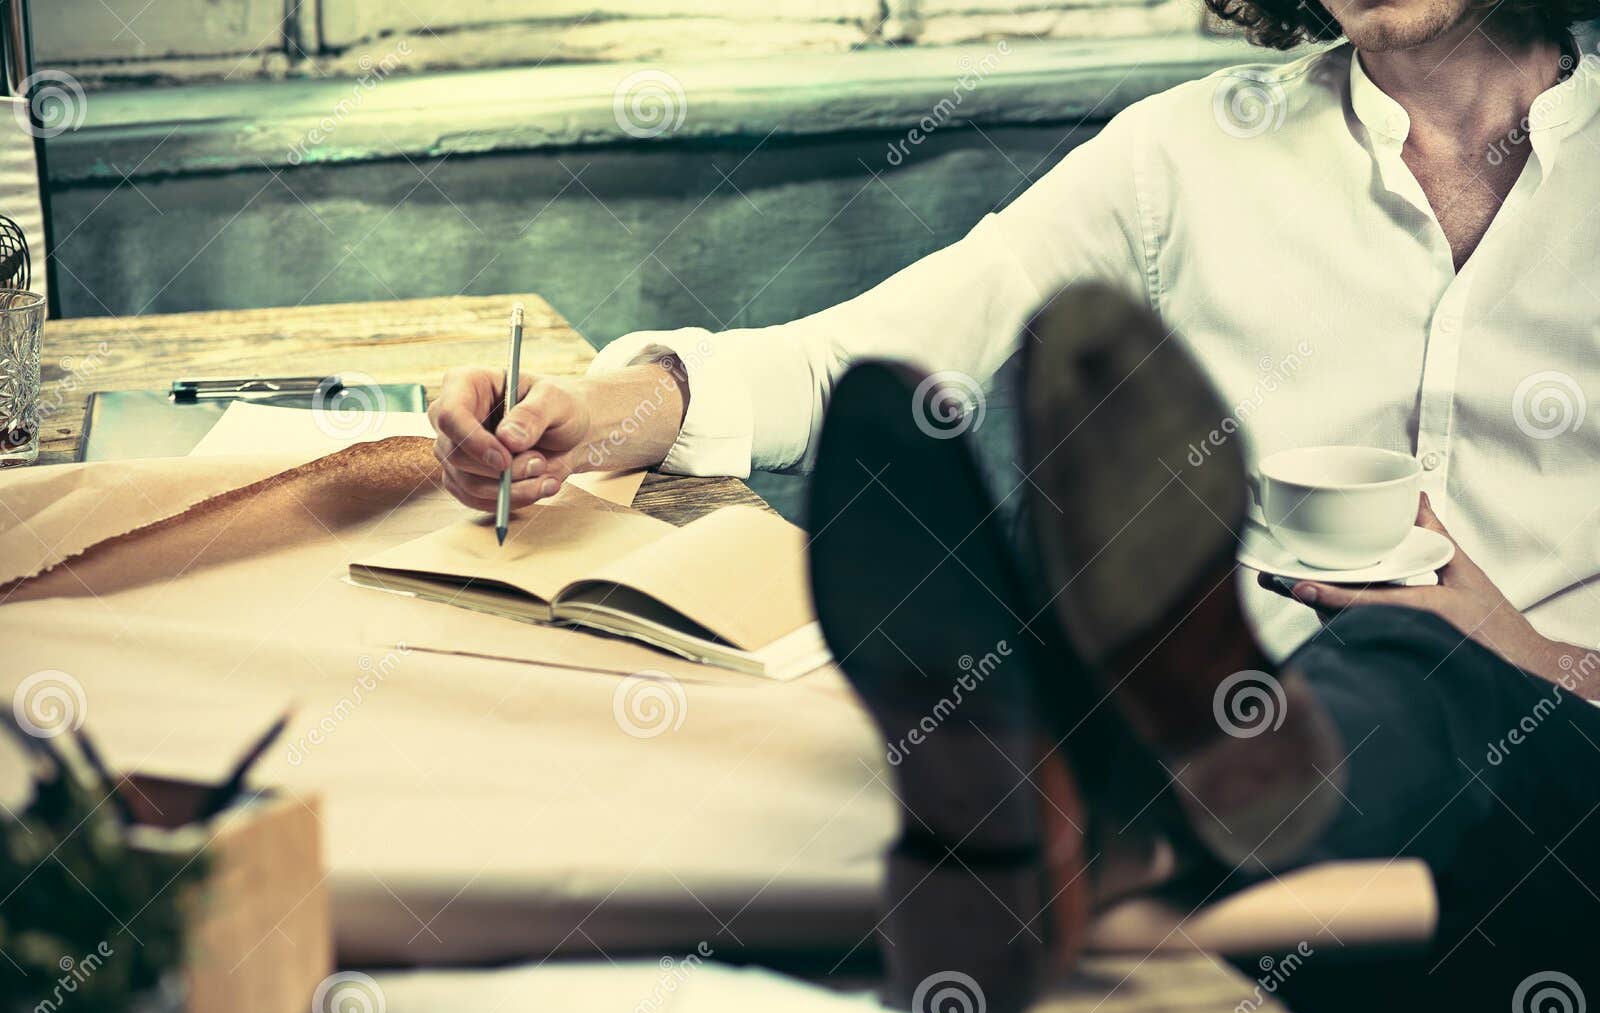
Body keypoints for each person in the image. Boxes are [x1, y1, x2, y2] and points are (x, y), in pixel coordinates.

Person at [429, 0, 1600, 671]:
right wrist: (602, 413)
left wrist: (1536, 664)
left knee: (1390, 697)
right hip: (1231, 748)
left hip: (1554, 779)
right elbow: (865, 354)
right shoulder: (1186, 153)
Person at [805, 283, 1600, 1013]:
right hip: (1414, 881)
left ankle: (1077, 812)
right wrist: (678, 385)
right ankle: (1109, 837)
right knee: (1372, 807)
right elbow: (932, 303)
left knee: (1435, 681)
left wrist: (1521, 647)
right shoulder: (1180, 162)